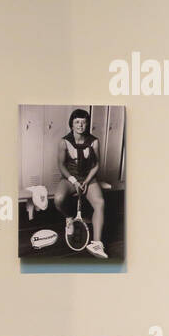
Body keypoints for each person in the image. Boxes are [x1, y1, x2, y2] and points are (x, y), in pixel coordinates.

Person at [54, 108, 107, 258]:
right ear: (71, 124)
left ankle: (97, 244)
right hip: (70, 179)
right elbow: (61, 165)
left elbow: (96, 165)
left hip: (88, 179)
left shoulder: (94, 141)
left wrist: (87, 181)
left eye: (83, 122)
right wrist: (74, 181)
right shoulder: (63, 142)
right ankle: (70, 217)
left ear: (87, 124)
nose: (80, 125)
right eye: (77, 122)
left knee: (100, 203)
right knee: (58, 199)